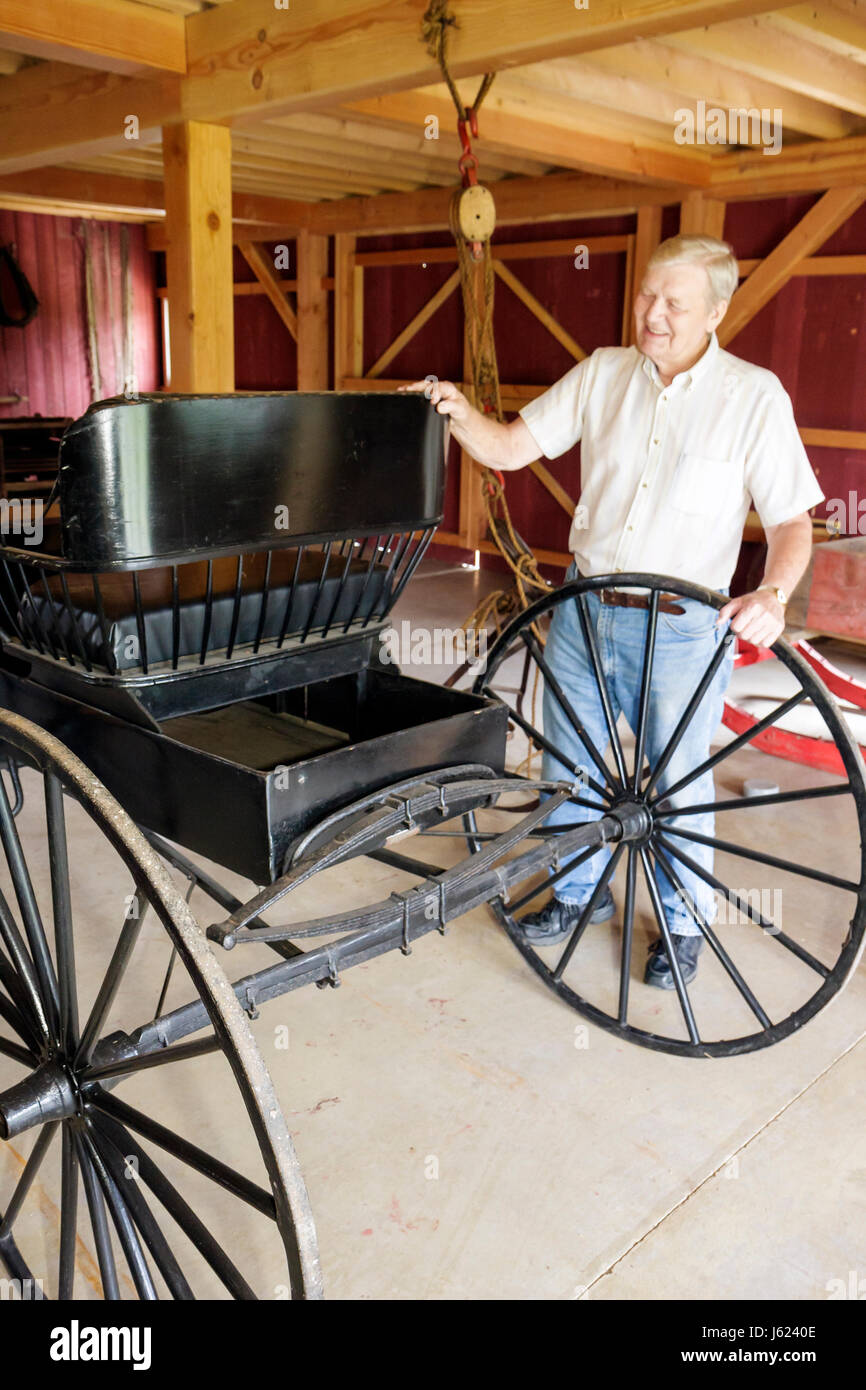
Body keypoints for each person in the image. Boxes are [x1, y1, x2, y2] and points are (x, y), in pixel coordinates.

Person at [403, 234, 822, 988]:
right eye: (645, 297)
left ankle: (682, 921)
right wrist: (456, 410)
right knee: (572, 765)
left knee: (677, 784)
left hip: (685, 632)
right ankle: (575, 890)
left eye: (674, 303)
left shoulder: (752, 396)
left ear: (716, 311)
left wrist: (773, 595)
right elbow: (505, 448)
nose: (652, 315)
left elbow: (794, 521)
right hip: (586, 615)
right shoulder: (603, 374)